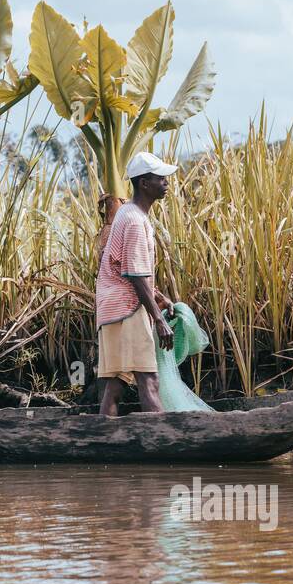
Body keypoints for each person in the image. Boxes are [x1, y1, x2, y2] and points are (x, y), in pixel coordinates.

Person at [96, 152, 177, 416]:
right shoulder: (133, 220)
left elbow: (127, 269)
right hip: (128, 308)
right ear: (144, 183)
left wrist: (158, 296)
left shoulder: (129, 215)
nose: (166, 182)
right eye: (160, 178)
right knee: (149, 380)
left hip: (113, 308)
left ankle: (105, 440)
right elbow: (133, 273)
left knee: (115, 383)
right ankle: (163, 444)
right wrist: (159, 318)